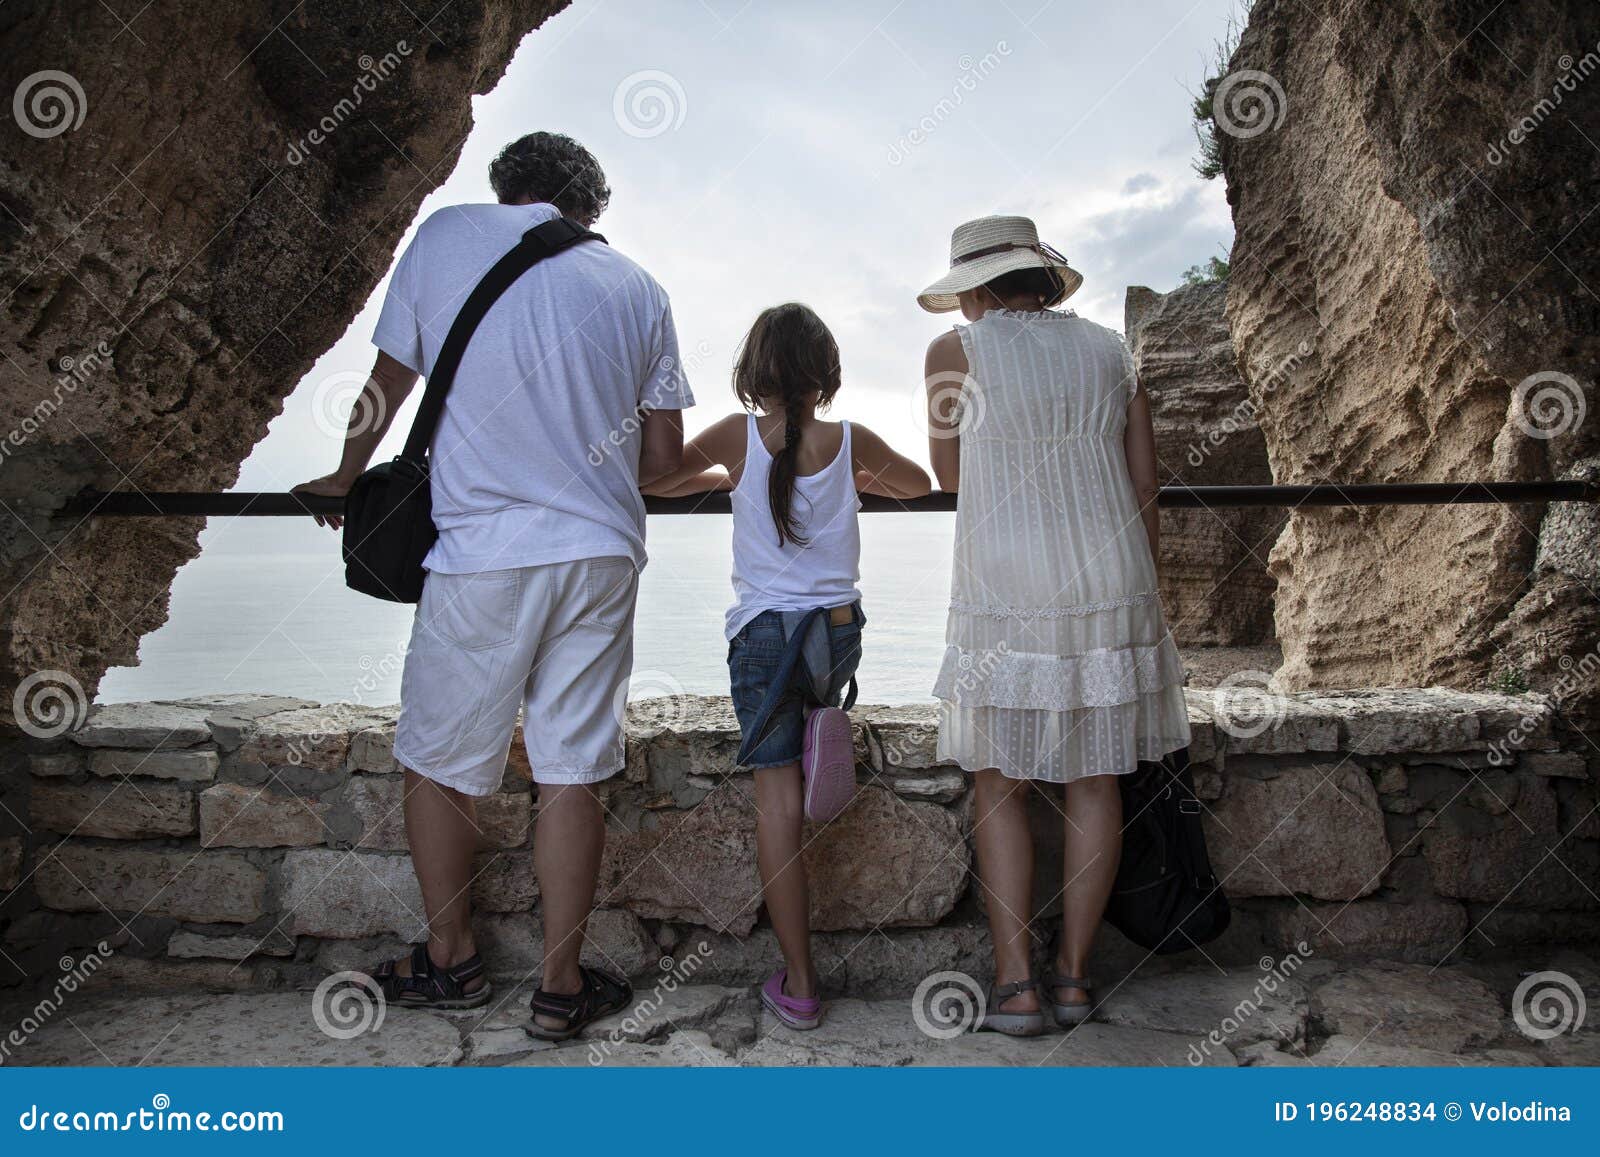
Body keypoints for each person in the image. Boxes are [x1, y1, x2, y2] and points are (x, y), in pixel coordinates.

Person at [295, 132, 691, 1040]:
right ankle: (559, 987)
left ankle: (452, 961)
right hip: (599, 555)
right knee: (572, 769)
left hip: (481, 555)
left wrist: (344, 470)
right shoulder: (638, 287)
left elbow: (386, 383)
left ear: (505, 188)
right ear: (589, 207)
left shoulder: (445, 236)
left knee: (439, 761)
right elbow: (662, 462)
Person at [917, 216, 1189, 1035]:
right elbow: (1146, 485)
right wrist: (1145, 591)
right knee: (1095, 779)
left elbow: (948, 470)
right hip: (1114, 578)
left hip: (1010, 583)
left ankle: (1015, 988)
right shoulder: (1113, 350)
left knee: (1000, 778)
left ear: (973, 288)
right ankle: (1073, 978)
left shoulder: (955, 354)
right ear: (1040, 276)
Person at [644, 303, 929, 1028]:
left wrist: (723, 484)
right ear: (825, 374)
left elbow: (658, 478)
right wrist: (854, 484)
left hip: (767, 637)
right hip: (837, 637)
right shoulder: (849, 438)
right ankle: (821, 730)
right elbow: (922, 483)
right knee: (810, 737)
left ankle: (800, 981)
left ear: (754, 374)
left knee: (777, 803)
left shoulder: (738, 438)